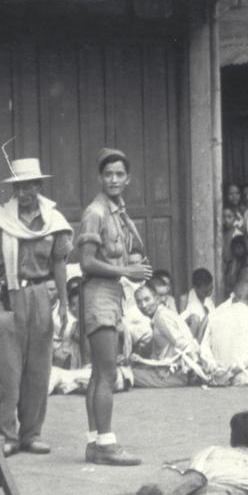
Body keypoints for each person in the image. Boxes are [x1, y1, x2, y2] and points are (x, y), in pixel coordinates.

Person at [0, 156, 71, 456]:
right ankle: (7, 435)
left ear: (39, 185)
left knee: (38, 367)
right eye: (20, 186)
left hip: (40, 295)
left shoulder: (53, 220)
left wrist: (65, 304)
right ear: (13, 188)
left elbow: (59, 262)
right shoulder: (0, 218)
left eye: (31, 185)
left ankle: (31, 432)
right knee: (7, 368)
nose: (26, 191)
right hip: (4, 295)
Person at [73, 148, 152, 466]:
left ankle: (95, 442)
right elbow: (86, 261)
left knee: (98, 374)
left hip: (109, 295)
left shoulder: (116, 210)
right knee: (107, 374)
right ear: (99, 178)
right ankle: (106, 445)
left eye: (120, 174)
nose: (115, 179)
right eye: (109, 174)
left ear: (128, 178)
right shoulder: (96, 212)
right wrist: (126, 272)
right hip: (99, 295)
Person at [128, 283, 210, 388]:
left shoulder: (161, 316)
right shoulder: (160, 314)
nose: (143, 305)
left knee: (125, 373)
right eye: (139, 302)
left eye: (147, 299)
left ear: (157, 299)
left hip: (176, 374)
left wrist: (197, 372)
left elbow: (183, 344)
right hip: (171, 370)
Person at [181, 267, 217, 336]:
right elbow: (181, 325)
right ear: (195, 287)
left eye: (211, 289)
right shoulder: (185, 299)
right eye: (205, 292)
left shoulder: (208, 300)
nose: (209, 294)